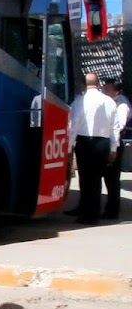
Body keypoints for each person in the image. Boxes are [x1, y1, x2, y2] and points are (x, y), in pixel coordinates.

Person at [67, 73, 121, 225]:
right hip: (103, 143)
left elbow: (74, 125)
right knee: (96, 180)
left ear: (84, 85)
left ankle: (87, 214)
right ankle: (93, 214)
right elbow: (114, 127)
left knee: (85, 179)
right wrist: (113, 147)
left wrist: (69, 145)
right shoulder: (109, 101)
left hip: (85, 142)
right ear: (98, 84)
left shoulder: (80, 102)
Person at [102, 80, 131, 219]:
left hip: (114, 141)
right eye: (104, 89)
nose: (104, 92)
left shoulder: (122, 105)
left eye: (108, 89)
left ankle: (112, 210)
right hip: (104, 139)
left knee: (112, 179)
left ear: (117, 91)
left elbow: (119, 125)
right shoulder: (106, 102)